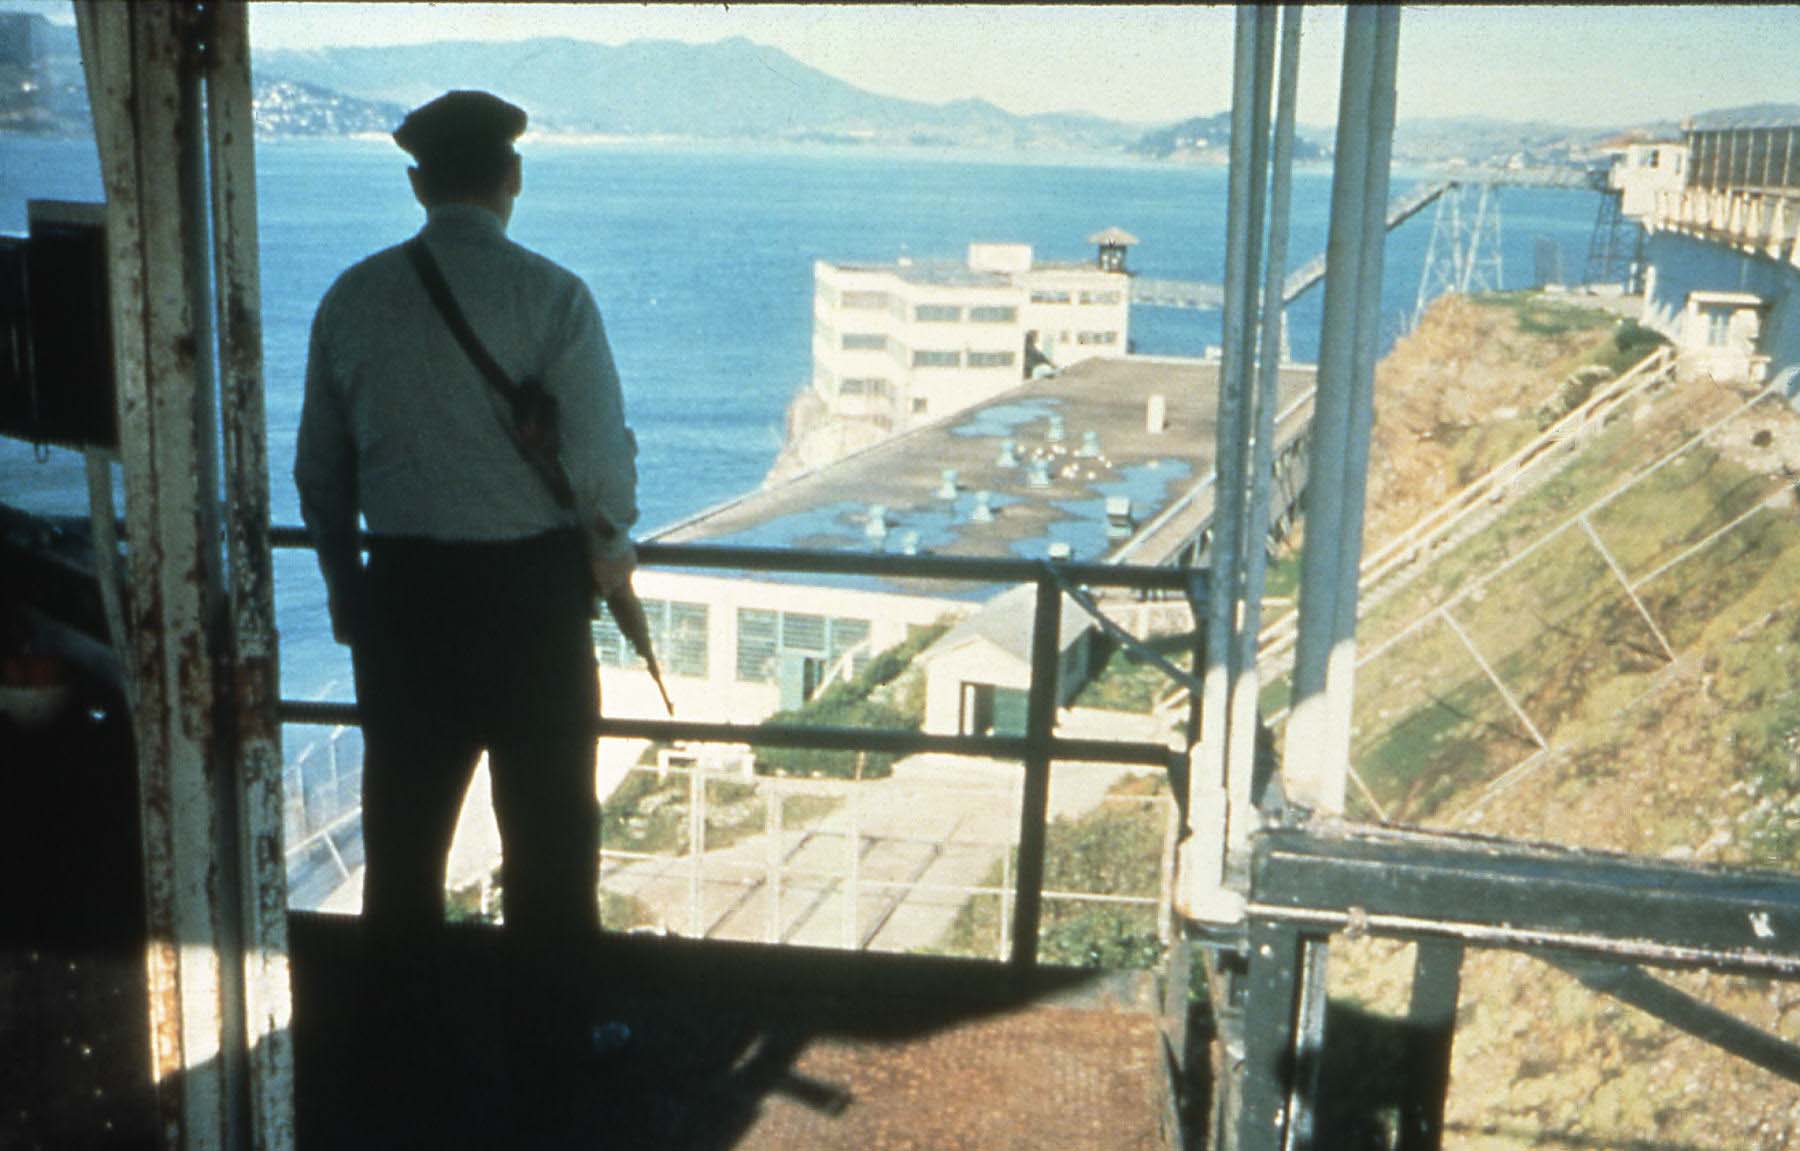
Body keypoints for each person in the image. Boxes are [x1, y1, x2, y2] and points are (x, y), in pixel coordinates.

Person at [293, 89, 638, 1121]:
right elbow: (602, 474)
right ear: (512, 177)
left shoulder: (353, 298)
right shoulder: (557, 298)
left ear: (416, 183)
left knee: (403, 842)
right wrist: (607, 559)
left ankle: (398, 1054)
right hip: (532, 604)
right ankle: (554, 1049)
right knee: (549, 840)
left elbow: (320, 475)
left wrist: (349, 591)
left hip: (405, 600)